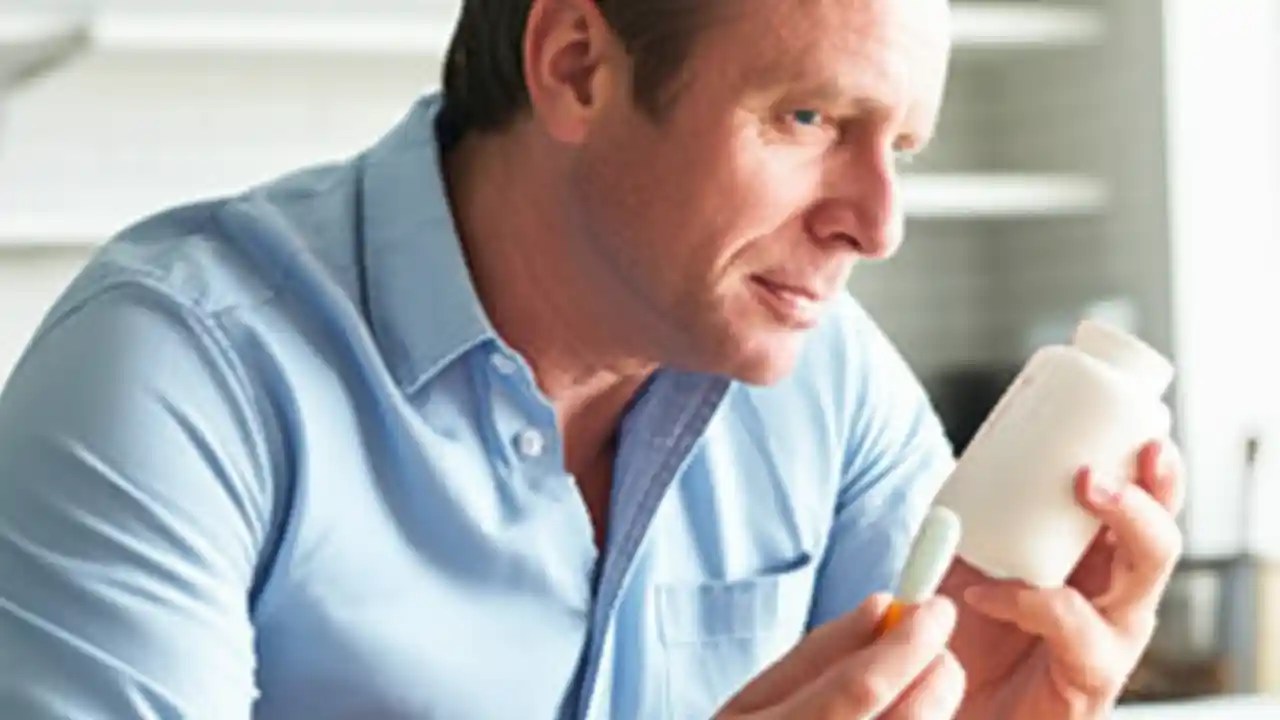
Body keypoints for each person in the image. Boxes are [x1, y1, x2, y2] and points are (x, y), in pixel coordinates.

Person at [0, 0, 1185, 717]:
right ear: (575, 64)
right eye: (808, 119)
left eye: (904, 146)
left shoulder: (835, 394)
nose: (876, 225)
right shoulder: (176, 378)